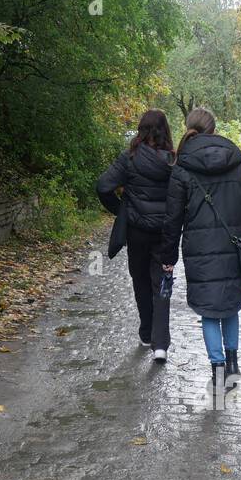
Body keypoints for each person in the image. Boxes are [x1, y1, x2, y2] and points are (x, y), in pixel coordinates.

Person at [160, 106, 241, 393]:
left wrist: (167, 257)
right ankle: (233, 365)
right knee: (230, 305)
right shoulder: (235, 160)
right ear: (214, 128)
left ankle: (218, 371)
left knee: (209, 310)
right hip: (234, 245)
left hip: (199, 249)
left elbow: (172, 218)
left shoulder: (182, 166)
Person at [97, 109, 176, 362]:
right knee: (162, 284)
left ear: (141, 130)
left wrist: (122, 210)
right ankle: (160, 344)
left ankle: (145, 332)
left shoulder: (128, 159)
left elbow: (103, 186)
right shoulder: (174, 161)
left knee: (140, 280)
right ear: (165, 131)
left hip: (137, 232)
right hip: (165, 232)